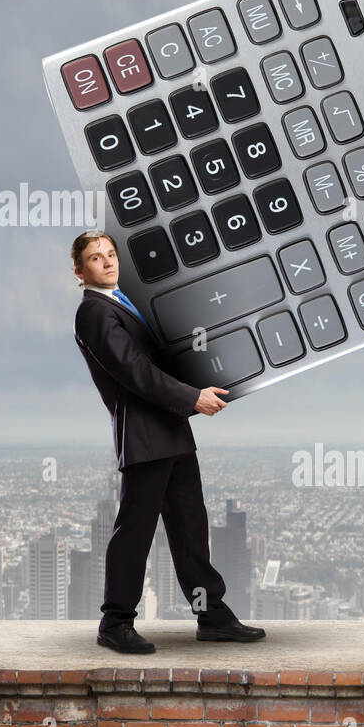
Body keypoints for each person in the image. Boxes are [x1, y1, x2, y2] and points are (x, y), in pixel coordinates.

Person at [71, 229, 266, 654]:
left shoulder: (121, 304)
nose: (106, 261)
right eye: (94, 258)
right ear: (78, 270)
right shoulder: (94, 313)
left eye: (109, 253)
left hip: (171, 431)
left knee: (190, 528)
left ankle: (212, 615)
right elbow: (134, 371)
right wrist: (191, 398)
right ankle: (115, 622)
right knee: (135, 533)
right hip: (145, 437)